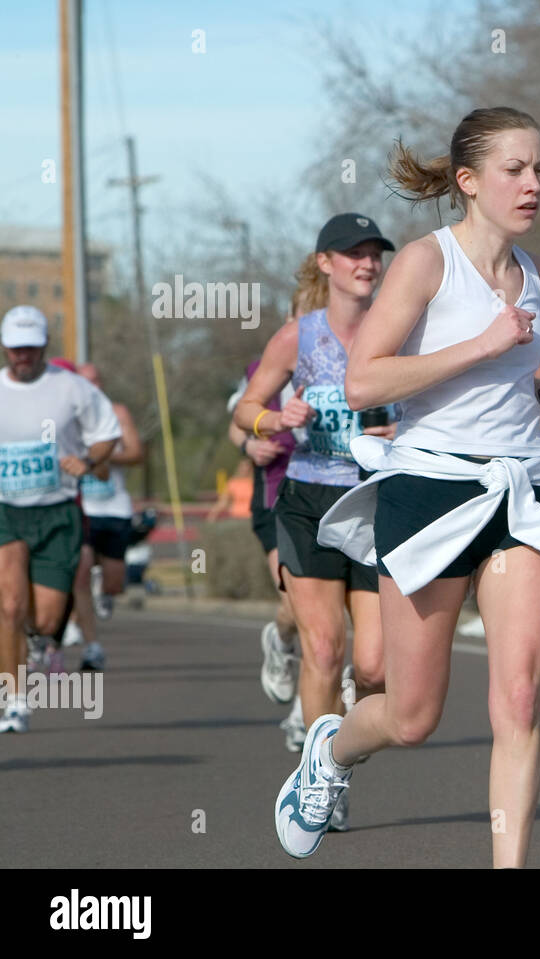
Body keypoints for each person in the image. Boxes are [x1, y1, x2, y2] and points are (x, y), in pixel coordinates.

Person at [274, 107, 540, 868]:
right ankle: (331, 748)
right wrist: (477, 344)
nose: (532, 184)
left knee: (520, 699)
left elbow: (525, 383)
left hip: (517, 494)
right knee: (413, 714)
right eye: (515, 170)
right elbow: (362, 382)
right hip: (428, 492)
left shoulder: (539, 274)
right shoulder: (426, 262)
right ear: (468, 181)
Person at [238, 213, 397, 830]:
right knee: (325, 647)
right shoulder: (297, 338)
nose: (366, 264)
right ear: (325, 263)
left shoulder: (402, 329)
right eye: (352, 254)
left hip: (379, 501)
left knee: (377, 667)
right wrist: (273, 421)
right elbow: (250, 405)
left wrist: (401, 428)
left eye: (374, 254)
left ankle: (337, 751)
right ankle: (319, 779)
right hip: (309, 500)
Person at [0, 306, 121, 732]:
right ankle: (14, 700)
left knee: (47, 619)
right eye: (15, 348)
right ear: (5, 347)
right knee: (9, 605)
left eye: (30, 348)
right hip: (6, 511)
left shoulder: (71, 388)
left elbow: (109, 434)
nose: (23, 356)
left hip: (58, 511)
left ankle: (38, 641)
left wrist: (87, 461)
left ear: (44, 346)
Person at [227, 258, 326, 742]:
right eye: (302, 317)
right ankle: (281, 641)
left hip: (337, 494)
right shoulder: (269, 362)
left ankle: (303, 717)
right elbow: (237, 420)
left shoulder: (350, 358)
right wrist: (251, 445)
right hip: (277, 495)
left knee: (329, 621)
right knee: (294, 603)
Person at [63, 363, 144, 671]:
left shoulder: (117, 412)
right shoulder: (67, 414)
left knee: (113, 581)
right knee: (80, 568)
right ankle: (74, 623)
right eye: (86, 381)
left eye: (96, 380)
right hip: (83, 507)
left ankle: (104, 593)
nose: (91, 385)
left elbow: (136, 452)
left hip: (115, 507)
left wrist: (100, 456)